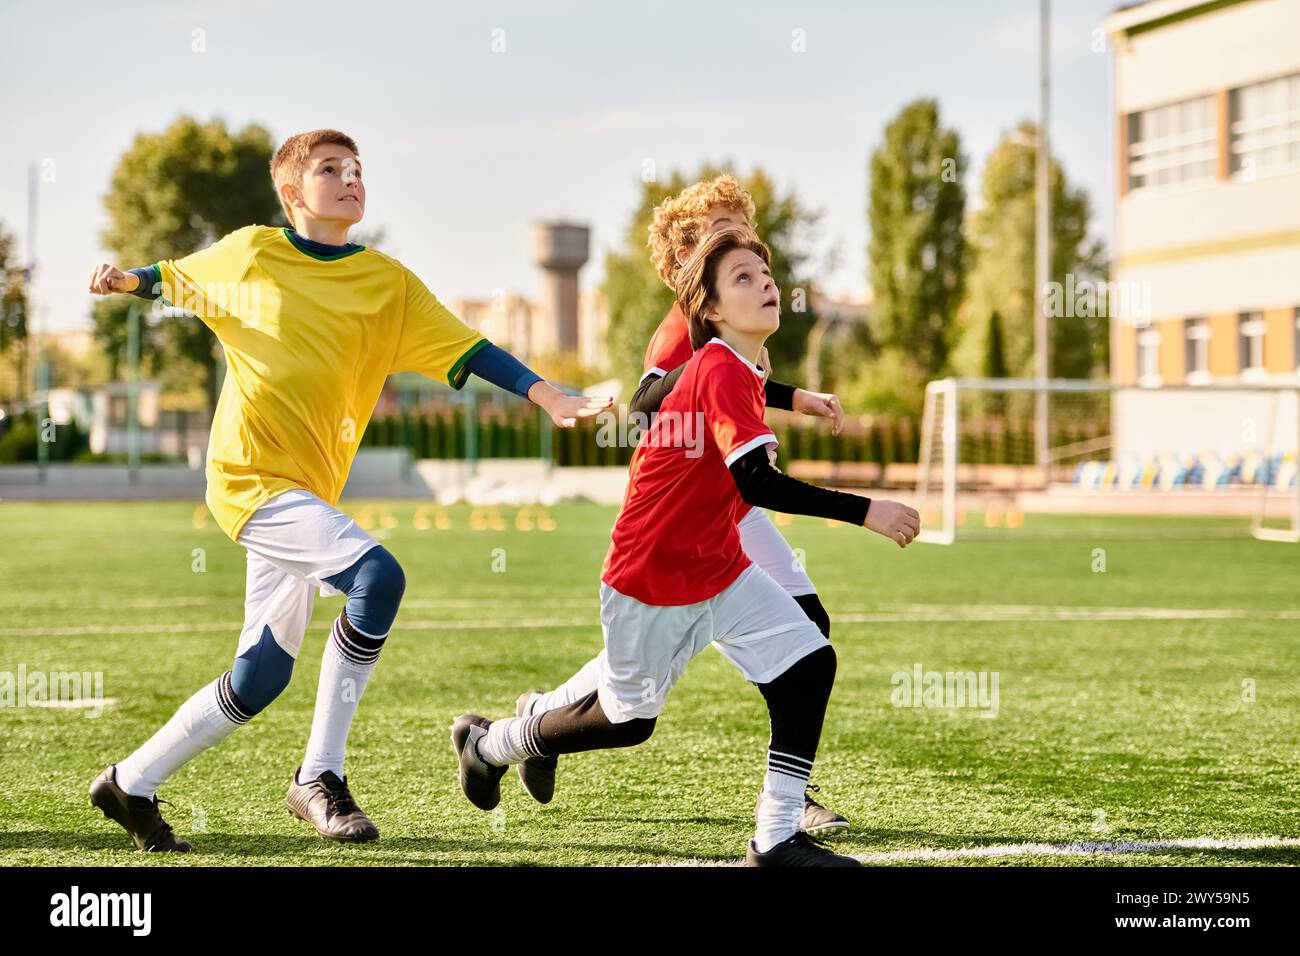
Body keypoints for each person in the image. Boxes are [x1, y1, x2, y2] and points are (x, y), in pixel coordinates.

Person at [85, 128, 610, 852]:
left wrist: (544, 392)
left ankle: (130, 782)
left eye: (358, 169)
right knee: (377, 576)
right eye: (331, 169)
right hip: (250, 479)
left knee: (260, 677)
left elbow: (468, 347)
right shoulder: (253, 253)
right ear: (292, 193)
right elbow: (176, 276)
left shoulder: (386, 283)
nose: (350, 178)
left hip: (310, 495)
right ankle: (318, 776)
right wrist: (127, 281)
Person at [451, 227, 920, 866]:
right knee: (629, 723)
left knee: (810, 662)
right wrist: (868, 510)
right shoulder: (721, 367)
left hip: (718, 566)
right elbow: (755, 480)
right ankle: (492, 745)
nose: (767, 285)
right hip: (652, 575)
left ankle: (777, 838)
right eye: (744, 278)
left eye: (767, 273)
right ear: (712, 309)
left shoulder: (742, 368)